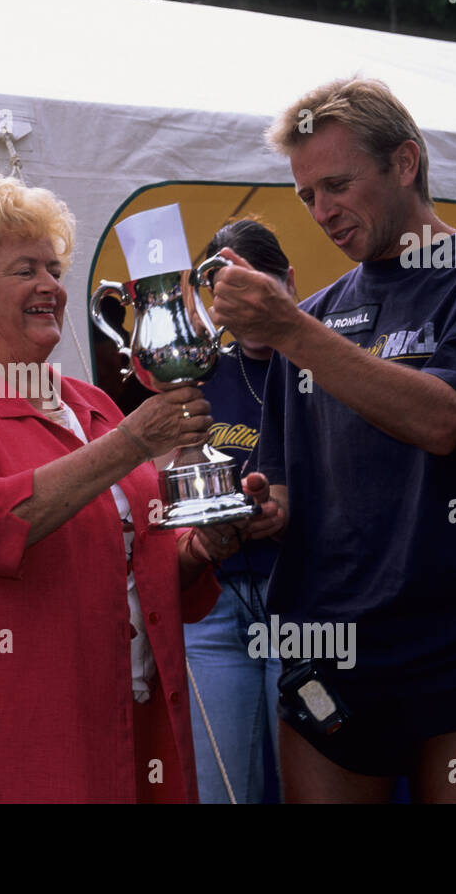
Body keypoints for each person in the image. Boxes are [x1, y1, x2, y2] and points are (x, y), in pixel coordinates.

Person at [0, 174, 272, 803]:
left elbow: (135, 558)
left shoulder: (92, 406)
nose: (51, 287)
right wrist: (132, 444)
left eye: (55, 269)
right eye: (25, 270)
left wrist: (205, 546)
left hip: (121, 722)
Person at [211, 77, 456, 802]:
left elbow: (443, 420)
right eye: (306, 195)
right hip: (329, 650)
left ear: (404, 162)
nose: (323, 211)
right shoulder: (319, 312)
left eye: (336, 184)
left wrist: (292, 332)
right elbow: (290, 481)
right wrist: (263, 507)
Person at [186, 218, 294, 804]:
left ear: (289, 281)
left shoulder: (331, 361)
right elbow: (172, 473)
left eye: (259, 290)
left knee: (316, 787)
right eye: (228, 299)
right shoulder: (200, 371)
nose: (245, 312)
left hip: (307, 604)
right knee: (222, 792)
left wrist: (294, 506)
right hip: (215, 603)